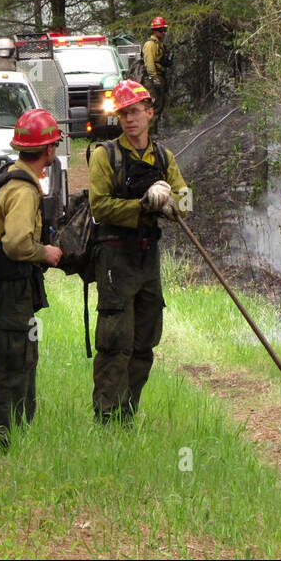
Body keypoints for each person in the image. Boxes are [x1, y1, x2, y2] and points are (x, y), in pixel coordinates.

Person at [87, 79, 190, 426]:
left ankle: (128, 414)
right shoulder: (105, 156)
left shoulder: (164, 157)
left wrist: (174, 204)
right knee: (116, 341)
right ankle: (106, 418)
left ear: (149, 112)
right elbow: (100, 207)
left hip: (148, 258)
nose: (129, 120)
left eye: (134, 112)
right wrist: (143, 206)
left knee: (145, 340)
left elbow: (186, 199)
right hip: (115, 257)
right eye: (123, 114)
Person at [0, 107, 63, 454]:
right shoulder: (23, 189)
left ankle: (12, 437)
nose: (54, 152)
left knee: (16, 358)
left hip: (12, 289)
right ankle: (4, 441)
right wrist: (44, 253)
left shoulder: (10, 176)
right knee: (13, 362)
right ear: (47, 150)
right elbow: (16, 243)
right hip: (13, 288)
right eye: (54, 146)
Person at [141, 16, 169, 135]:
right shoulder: (150, 45)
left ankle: (153, 132)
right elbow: (149, 62)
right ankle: (149, 134)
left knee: (159, 105)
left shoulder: (159, 44)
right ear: (155, 31)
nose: (163, 32)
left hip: (159, 76)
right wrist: (154, 78)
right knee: (153, 106)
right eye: (161, 30)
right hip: (152, 79)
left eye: (164, 30)